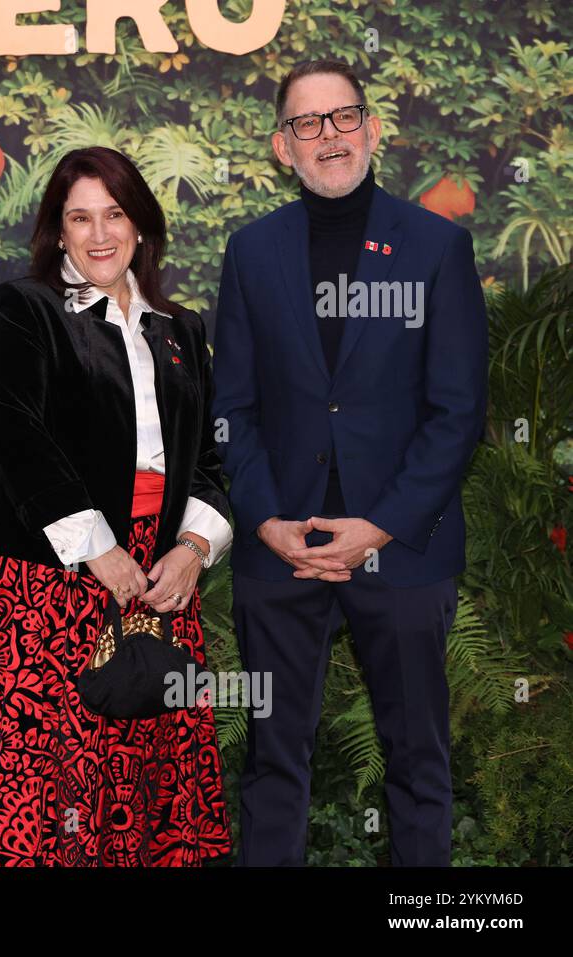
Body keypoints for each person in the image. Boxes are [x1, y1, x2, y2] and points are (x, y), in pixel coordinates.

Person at [212, 59, 488, 866]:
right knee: (271, 768)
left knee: (417, 762)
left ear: (371, 127)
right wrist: (264, 521)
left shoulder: (438, 247)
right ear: (280, 146)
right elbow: (232, 409)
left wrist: (381, 526)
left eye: (343, 118)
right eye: (307, 123)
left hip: (402, 549)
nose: (328, 136)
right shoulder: (252, 251)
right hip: (280, 549)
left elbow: (458, 412)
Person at [0, 146, 234, 866]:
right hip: (48, 580)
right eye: (80, 218)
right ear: (57, 230)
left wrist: (194, 551)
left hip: (158, 584)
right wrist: (97, 546)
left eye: (115, 214)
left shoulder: (182, 328)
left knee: (139, 785)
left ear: (141, 225)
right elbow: (15, 435)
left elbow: (213, 460)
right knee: (37, 791)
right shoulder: (25, 308)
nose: (100, 234)